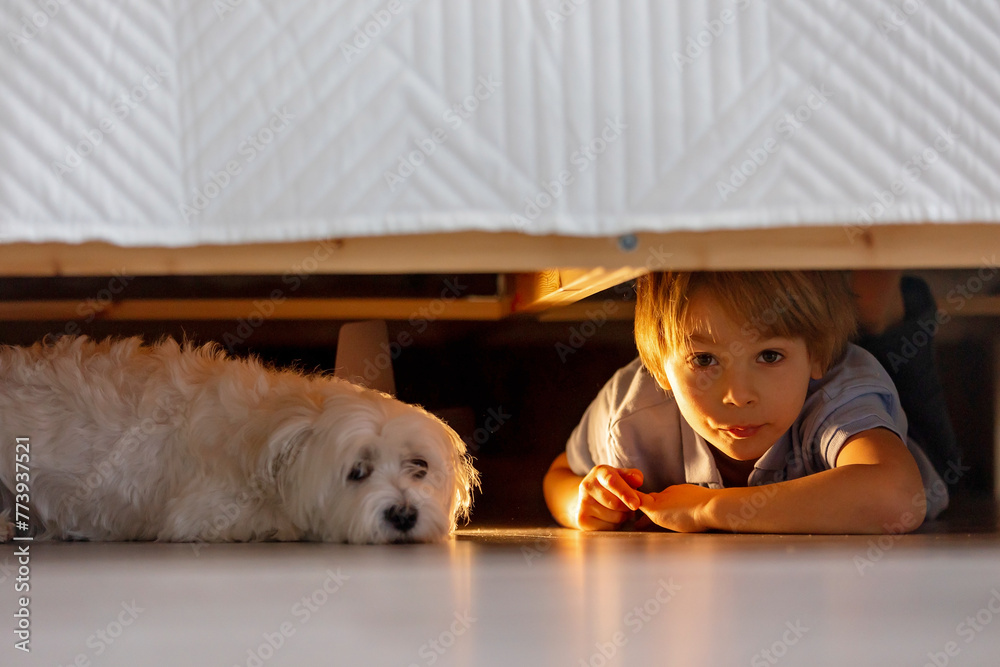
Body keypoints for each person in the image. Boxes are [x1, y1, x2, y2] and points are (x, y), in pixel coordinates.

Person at [543, 270, 952, 534]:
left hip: (917, 447)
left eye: (769, 356)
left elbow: (898, 496)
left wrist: (710, 508)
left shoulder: (837, 391)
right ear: (659, 367)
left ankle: (884, 299)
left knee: (875, 324)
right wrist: (582, 503)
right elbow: (562, 472)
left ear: (817, 358)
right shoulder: (633, 409)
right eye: (704, 360)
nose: (738, 395)